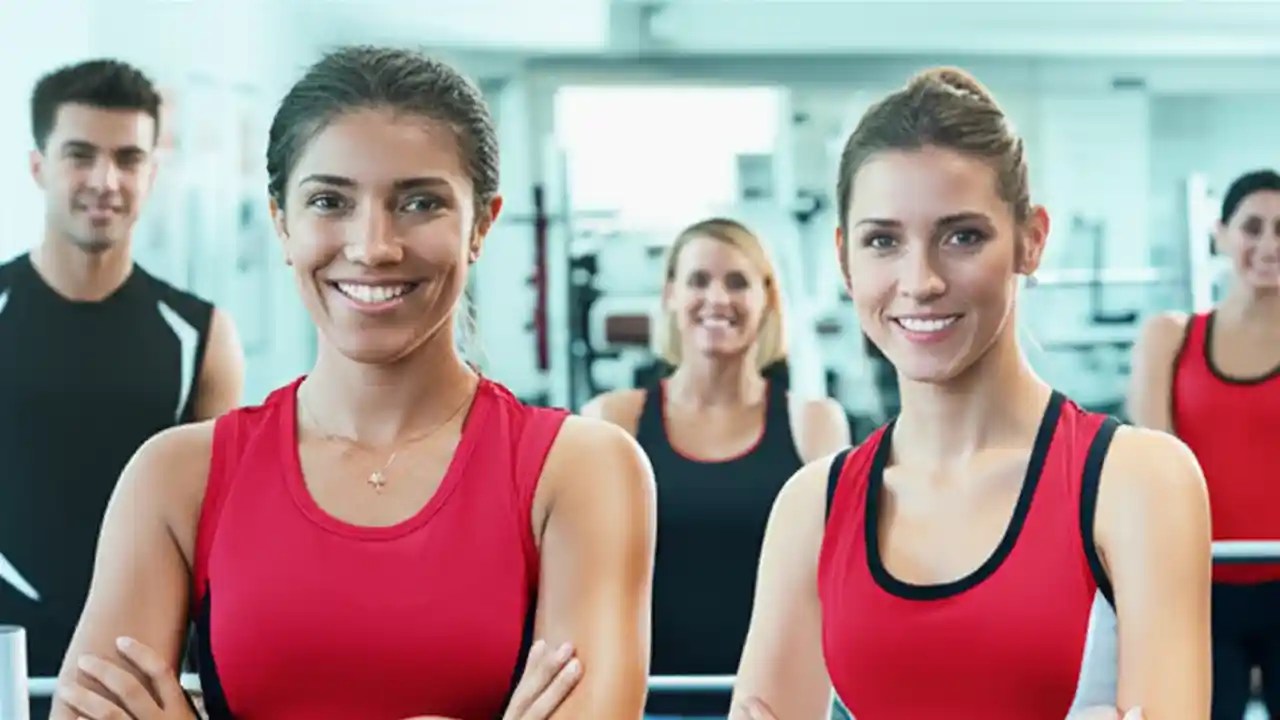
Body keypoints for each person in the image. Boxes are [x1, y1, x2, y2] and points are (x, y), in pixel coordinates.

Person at [50, 46, 656, 720]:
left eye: (420, 202)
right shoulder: (174, 478)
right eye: (330, 201)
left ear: (481, 224)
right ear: (283, 223)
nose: (373, 246)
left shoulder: (581, 473)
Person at [729, 67, 1212, 720]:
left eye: (962, 236)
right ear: (845, 258)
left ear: (1032, 238)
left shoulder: (1137, 481)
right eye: (883, 241)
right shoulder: (813, 506)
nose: (920, 280)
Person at [0, 58, 244, 718]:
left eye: (128, 158)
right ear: (38, 166)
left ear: (151, 174)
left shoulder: (201, 333)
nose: (105, 181)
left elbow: (219, 533)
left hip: (140, 674)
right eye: (80, 154)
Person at [582, 218, 850, 718]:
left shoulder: (813, 424)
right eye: (699, 281)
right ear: (669, 295)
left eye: (737, 282)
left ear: (767, 297)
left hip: (771, 705)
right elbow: (585, 583)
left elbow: (830, 589)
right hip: (640, 704)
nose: (717, 298)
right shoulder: (612, 418)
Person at [1127, 168, 1280, 719]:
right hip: (1199, 594)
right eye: (1253, 227)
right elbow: (1151, 470)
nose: (1268, 245)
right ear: (1221, 234)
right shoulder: (1169, 338)